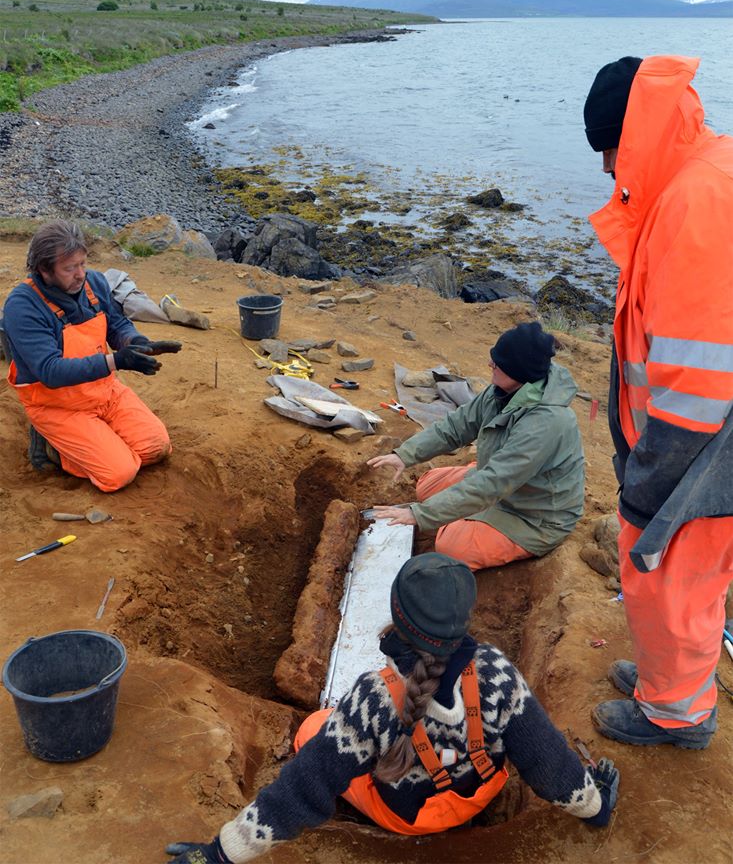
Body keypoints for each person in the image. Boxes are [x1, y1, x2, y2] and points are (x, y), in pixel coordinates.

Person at [164, 553, 619, 863]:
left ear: (398, 617)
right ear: (464, 619)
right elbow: (548, 763)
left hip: (410, 816)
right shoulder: (498, 672)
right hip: (480, 792)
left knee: (316, 731)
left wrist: (221, 852)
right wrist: (594, 805)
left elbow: (301, 792)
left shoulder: (374, 699)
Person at [583, 55, 733, 749]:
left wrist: (661, 464)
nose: (607, 168)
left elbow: (702, 363)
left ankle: (675, 716)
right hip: (693, 435)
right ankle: (665, 686)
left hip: (693, 444)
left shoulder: (694, 201)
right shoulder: (699, 175)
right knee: (680, 579)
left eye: (607, 150)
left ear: (631, 136)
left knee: (670, 576)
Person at [367, 322, 585, 571]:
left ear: (519, 371)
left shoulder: (546, 422)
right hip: (507, 483)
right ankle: (468, 508)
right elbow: (456, 426)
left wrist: (418, 515)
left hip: (534, 514)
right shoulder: (504, 390)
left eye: (497, 363)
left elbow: (492, 484)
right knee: (427, 486)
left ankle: (475, 521)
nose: (490, 365)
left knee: (451, 546)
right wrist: (404, 455)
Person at [4, 218, 182, 493]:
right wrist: (117, 361)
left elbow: (117, 325)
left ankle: (95, 439)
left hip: (103, 391)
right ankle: (52, 447)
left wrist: (136, 343)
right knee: (119, 473)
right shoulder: (23, 306)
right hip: (57, 405)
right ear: (44, 270)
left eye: (83, 264)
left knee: (156, 448)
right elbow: (50, 371)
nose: (80, 274)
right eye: (69, 268)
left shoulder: (94, 283)